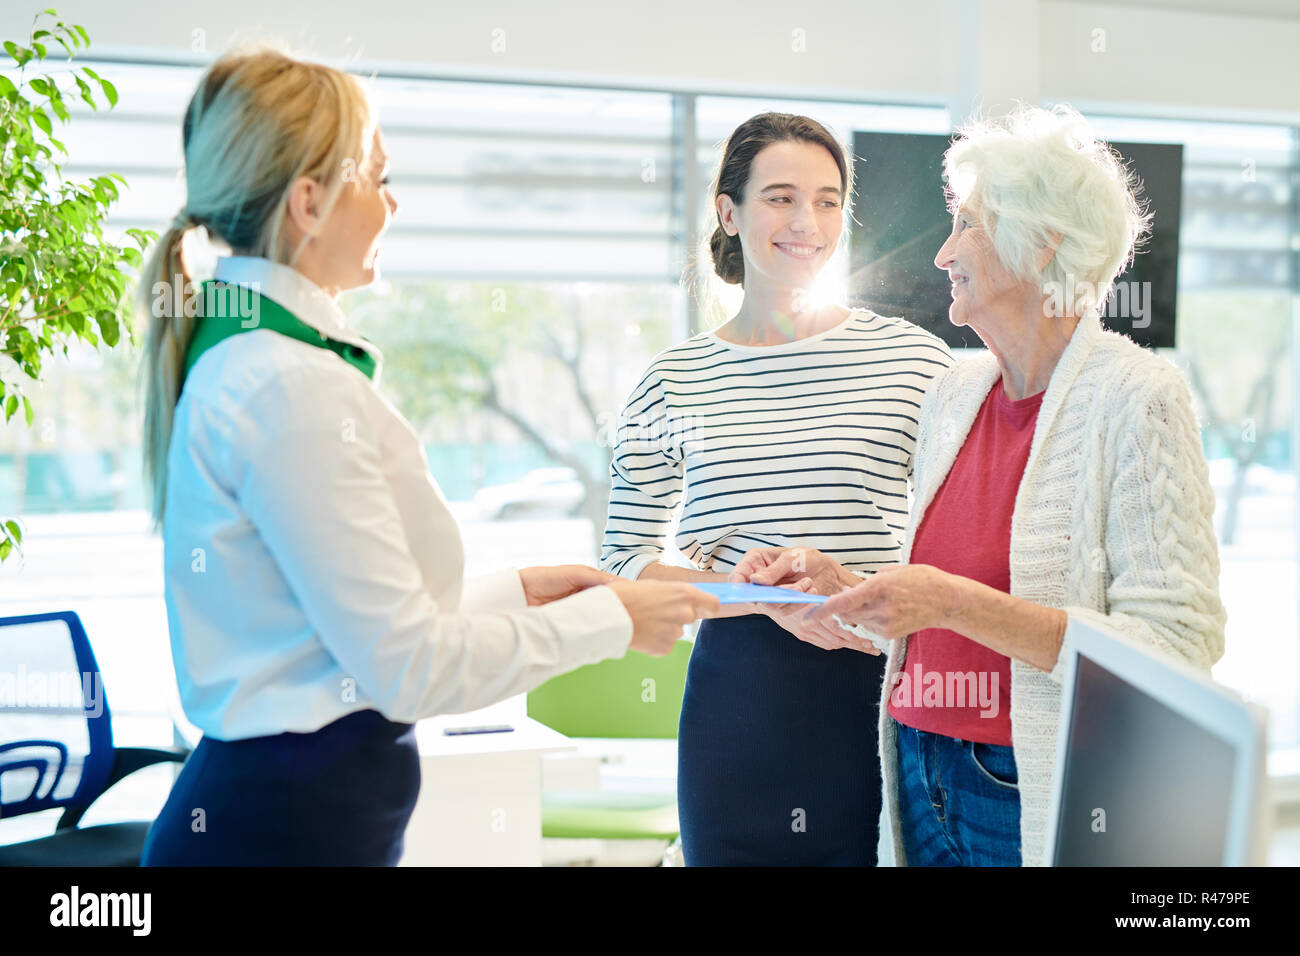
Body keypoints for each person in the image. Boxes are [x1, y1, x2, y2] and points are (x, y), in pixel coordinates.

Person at [136, 48, 717, 866]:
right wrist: (613, 621)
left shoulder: (256, 358)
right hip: (281, 830)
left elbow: (342, 630)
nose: (394, 203)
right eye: (376, 178)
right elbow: (407, 670)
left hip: (287, 812)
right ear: (308, 202)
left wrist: (523, 592)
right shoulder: (285, 385)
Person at [733, 104, 1226, 867]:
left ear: (1042, 244)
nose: (941, 254)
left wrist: (952, 601)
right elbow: (937, 613)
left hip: (1019, 783)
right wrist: (849, 589)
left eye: (966, 225)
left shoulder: (1139, 396)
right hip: (919, 767)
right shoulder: (955, 395)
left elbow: (1178, 645)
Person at [599, 112, 954, 865]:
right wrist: (756, 596)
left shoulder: (914, 362)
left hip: (882, 687)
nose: (807, 221)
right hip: (739, 703)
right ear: (729, 212)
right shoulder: (672, 380)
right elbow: (623, 560)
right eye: (780, 197)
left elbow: (959, 540)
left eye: (828, 200)